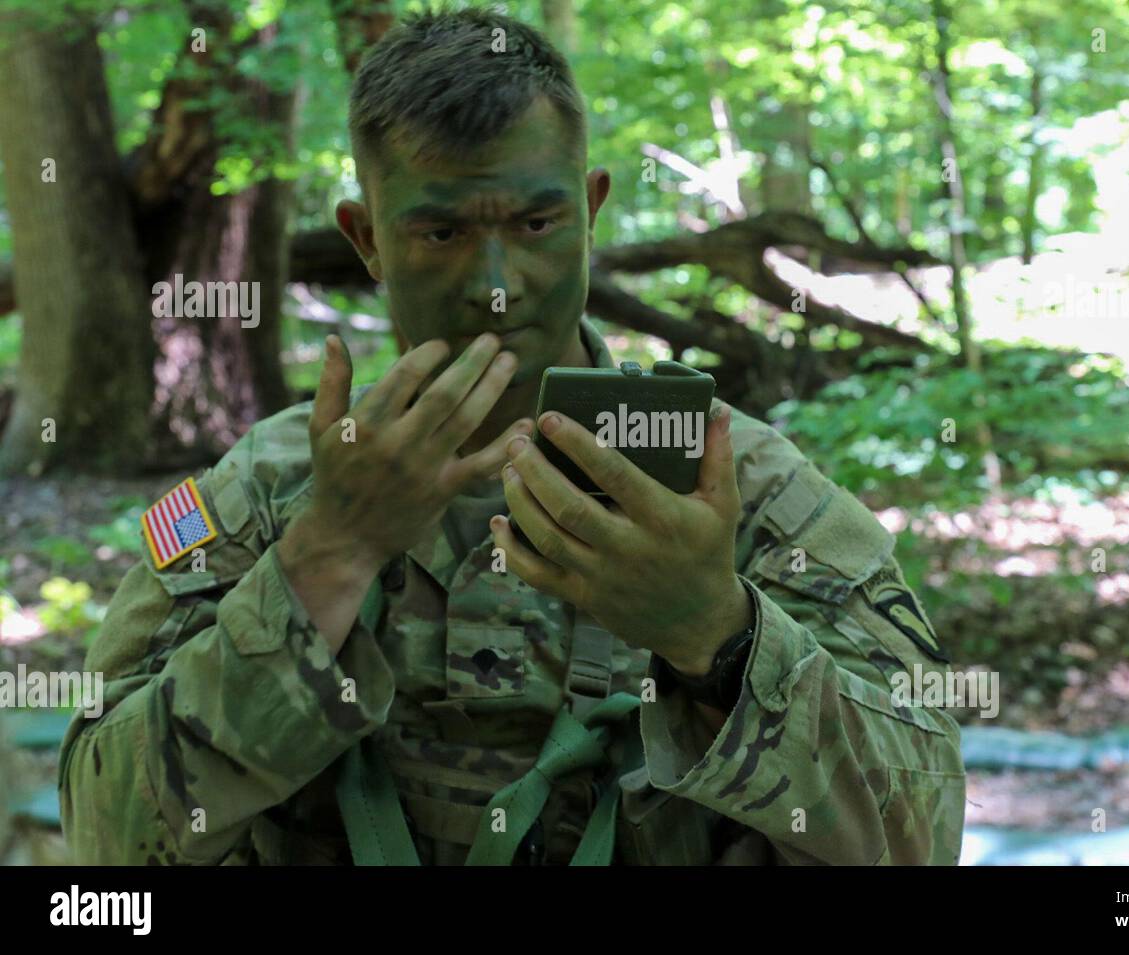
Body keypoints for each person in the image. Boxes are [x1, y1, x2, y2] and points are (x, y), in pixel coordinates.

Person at [58, 7, 965, 865]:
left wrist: (719, 637)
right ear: (367, 238)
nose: (496, 282)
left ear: (592, 208)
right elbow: (104, 838)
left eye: (536, 223)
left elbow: (923, 831)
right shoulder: (270, 490)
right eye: (442, 230)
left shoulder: (729, 482)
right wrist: (326, 558)